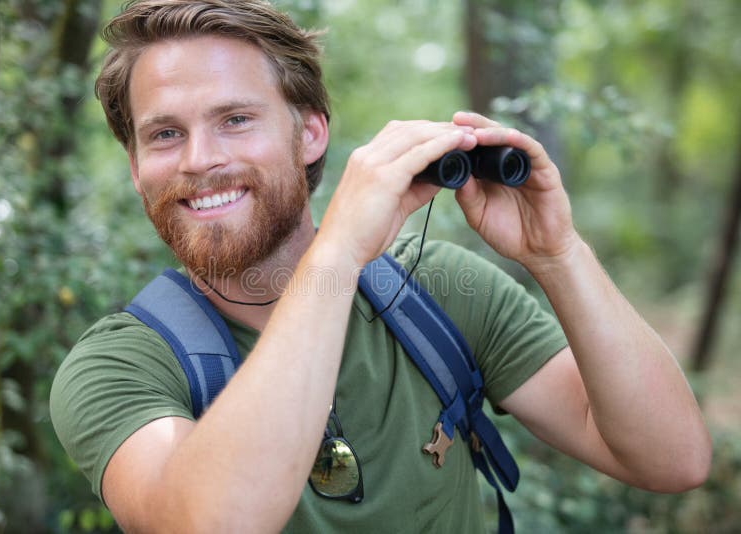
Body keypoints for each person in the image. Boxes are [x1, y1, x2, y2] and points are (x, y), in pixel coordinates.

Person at [49, 1, 712, 532]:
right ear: (136, 166)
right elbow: (214, 521)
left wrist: (557, 253)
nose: (198, 158)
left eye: (236, 119)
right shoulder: (118, 368)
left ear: (310, 132)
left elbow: (672, 459)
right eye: (165, 133)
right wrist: (336, 251)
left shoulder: (439, 295)